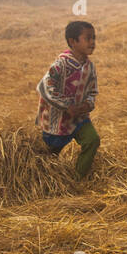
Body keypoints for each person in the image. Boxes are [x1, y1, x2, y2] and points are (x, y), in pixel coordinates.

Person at [34, 20, 100, 179]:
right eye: (88, 38)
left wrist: (87, 105)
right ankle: (47, 180)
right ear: (73, 41)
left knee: (92, 140)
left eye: (94, 38)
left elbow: (93, 91)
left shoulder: (90, 67)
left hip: (79, 119)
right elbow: (44, 86)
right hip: (57, 121)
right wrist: (66, 106)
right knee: (49, 154)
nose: (92, 42)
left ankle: (77, 179)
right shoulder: (60, 64)